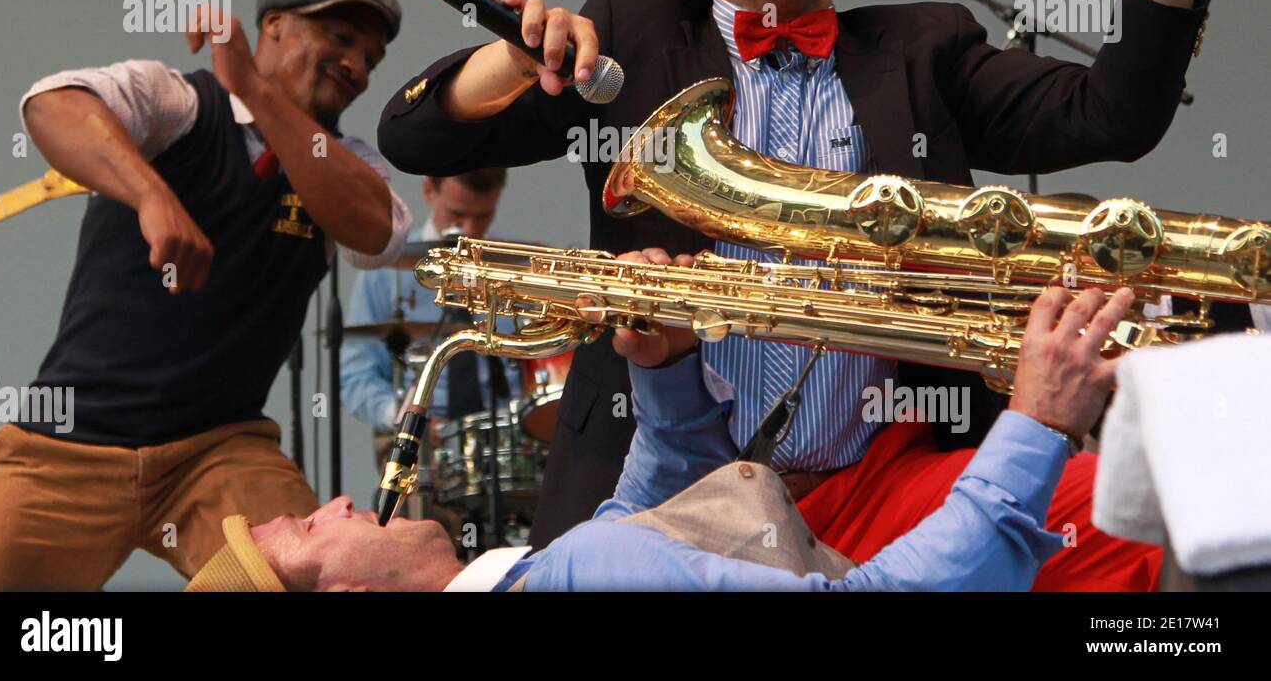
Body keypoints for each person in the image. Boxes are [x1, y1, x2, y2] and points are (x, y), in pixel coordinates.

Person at [375, 0, 1235, 585]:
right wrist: (512, 61)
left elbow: (1117, 112)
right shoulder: (627, 33)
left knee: (1144, 516)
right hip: (667, 481)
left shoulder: (926, 44)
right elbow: (412, 135)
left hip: (883, 476)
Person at [187, 283, 1132, 591]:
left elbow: (659, 515)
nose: (340, 499)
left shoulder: (559, 568)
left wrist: (667, 370)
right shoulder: (581, 573)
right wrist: (1037, 422)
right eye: (313, 528)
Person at [0, 0, 413, 590]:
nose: (358, 67)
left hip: (220, 452)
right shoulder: (175, 101)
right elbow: (52, 104)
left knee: (318, 572)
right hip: (66, 448)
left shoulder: (349, 164)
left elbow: (375, 233)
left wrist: (260, 94)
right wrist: (153, 197)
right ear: (277, 27)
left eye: (371, 57)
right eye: (341, 39)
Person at [341, 167, 520, 469]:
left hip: (507, 440)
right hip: (422, 441)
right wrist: (404, 415)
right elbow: (355, 375)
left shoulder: (515, 267)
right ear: (428, 191)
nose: (469, 229)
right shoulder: (387, 273)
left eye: (483, 216)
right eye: (457, 214)